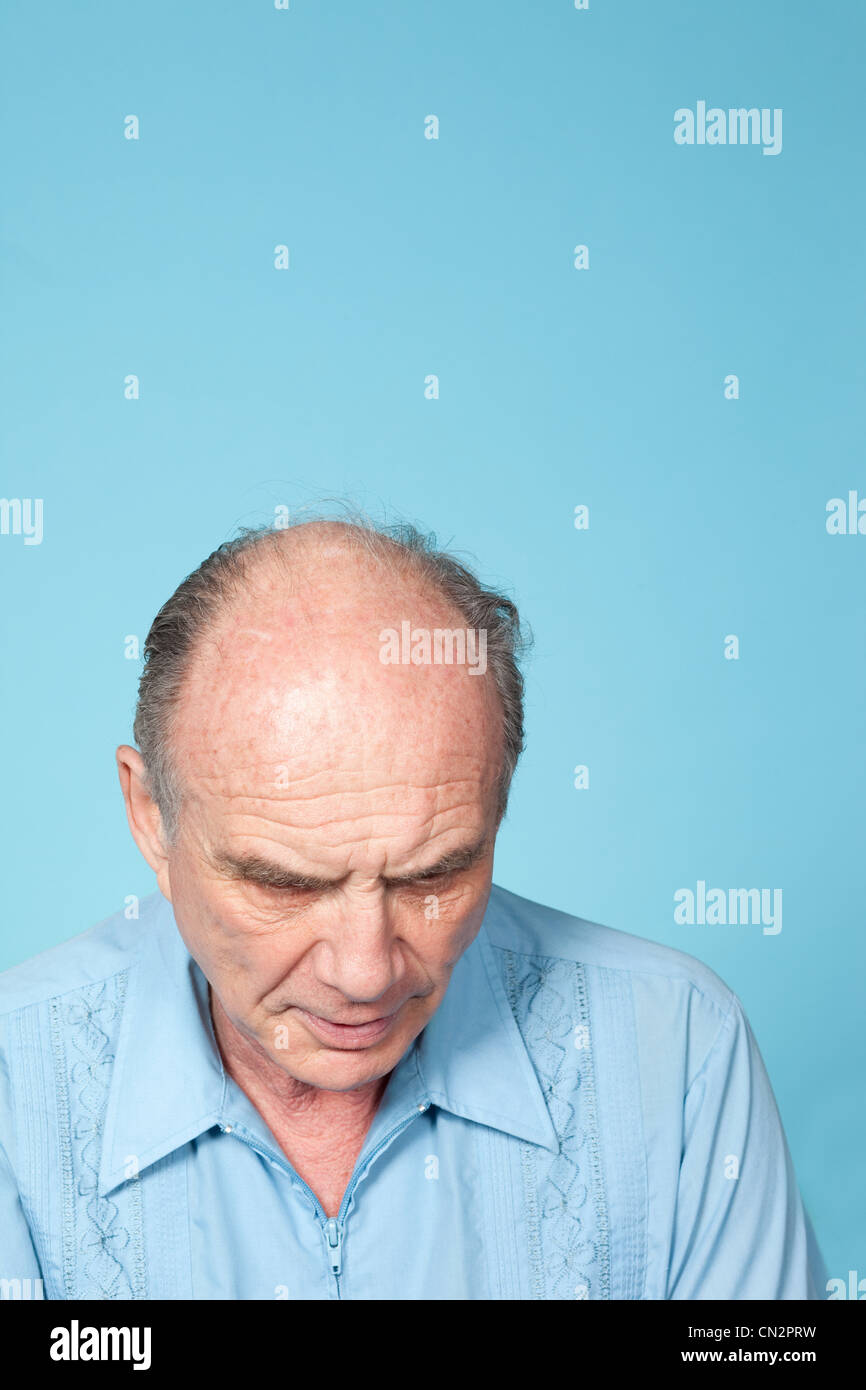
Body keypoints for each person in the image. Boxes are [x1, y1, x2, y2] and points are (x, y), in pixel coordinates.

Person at [0, 515, 825, 1299]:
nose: (365, 972)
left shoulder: (675, 1049)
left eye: (434, 876)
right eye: (286, 884)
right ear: (151, 818)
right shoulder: (13, 1090)